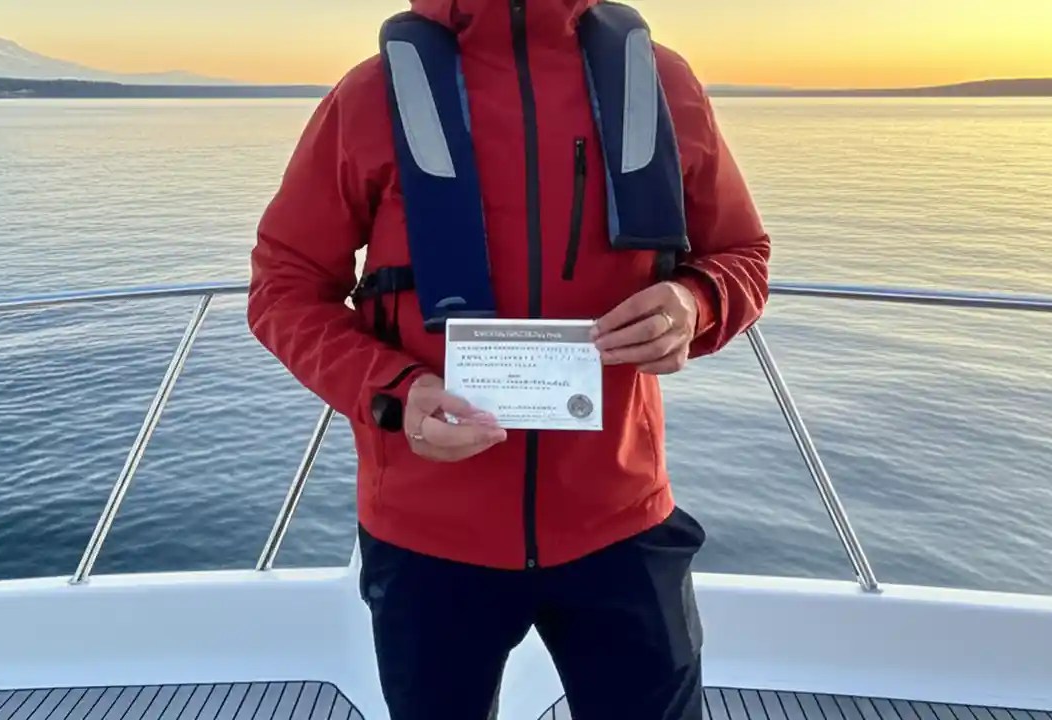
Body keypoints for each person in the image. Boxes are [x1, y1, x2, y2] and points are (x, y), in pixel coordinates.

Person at [248, 0, 770, 716]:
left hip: (620, 521)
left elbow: (742, 256)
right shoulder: (370, 97)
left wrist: (696, 303)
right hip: (427, 538)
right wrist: (395, 392)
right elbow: (283, 289)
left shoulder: (660, 84)